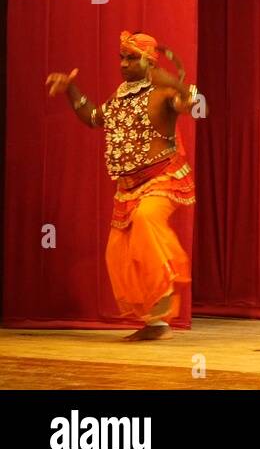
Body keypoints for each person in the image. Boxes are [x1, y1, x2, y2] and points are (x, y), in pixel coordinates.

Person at [45, 31, 198, 341]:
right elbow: (93, 117)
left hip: (163, 178)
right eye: (122, 58)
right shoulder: (120, 95)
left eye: (132, 58)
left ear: (149, 62)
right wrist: (71, 90)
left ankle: (166, 287)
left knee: (146, 219)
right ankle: (155, 324)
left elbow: (189, 100)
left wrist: (165, 77)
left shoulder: (163, 93)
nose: (124, 64)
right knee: (118, 251)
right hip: (128, 188)